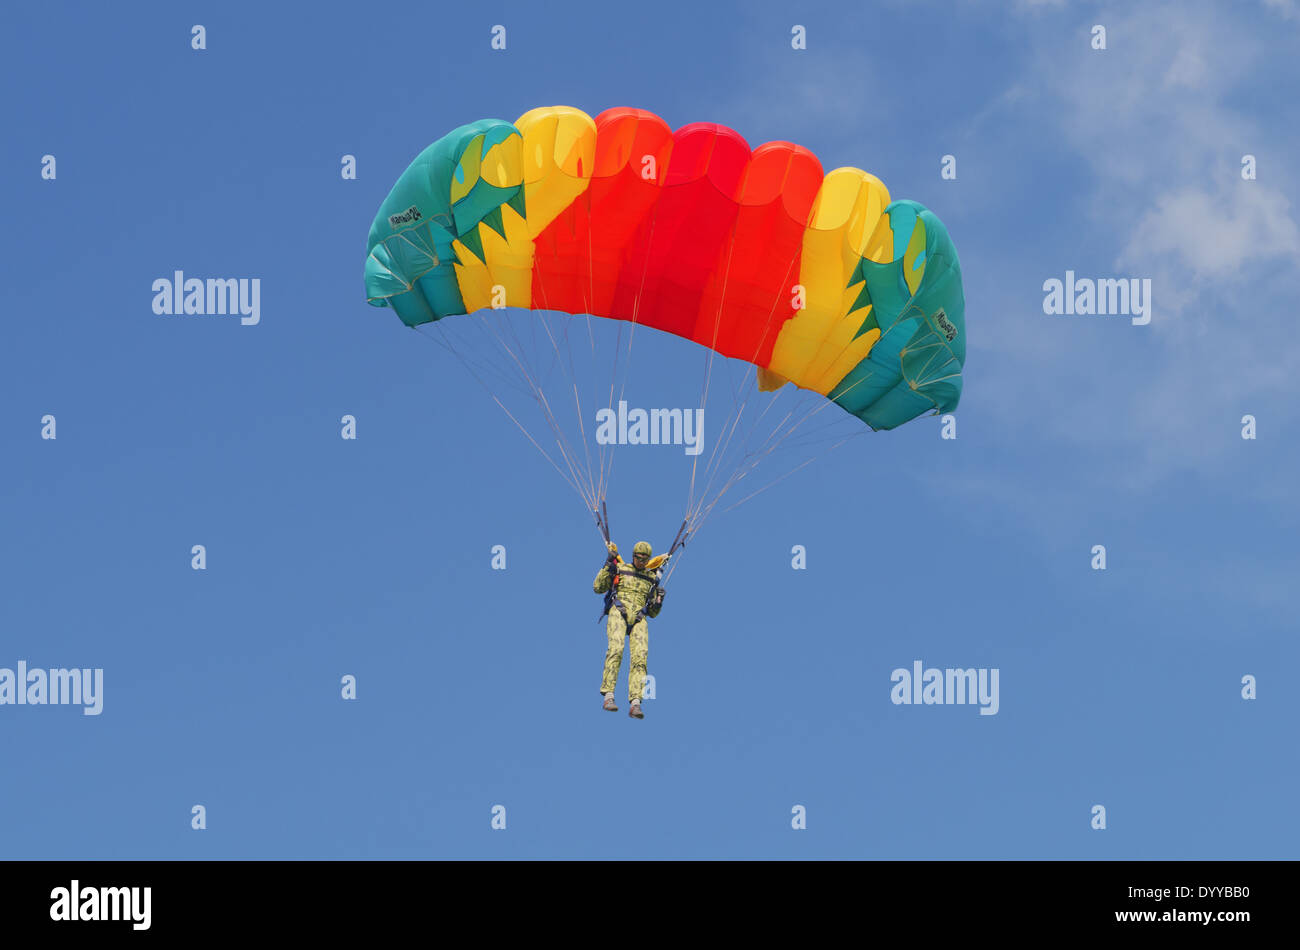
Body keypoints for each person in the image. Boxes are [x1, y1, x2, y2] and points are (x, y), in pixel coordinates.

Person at [593, 540, 665, 719]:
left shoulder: (651, 577)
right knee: (616, 649)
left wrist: (658, 602)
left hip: (639, 617)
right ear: (633, 556)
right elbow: (597, 587)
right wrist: (608, 565)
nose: (641, 561)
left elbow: (653, 613)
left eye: (644, 559)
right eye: (638, 558)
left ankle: (636, 703)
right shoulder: (621, 568)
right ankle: (608, 696)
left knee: (640, 657)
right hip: (619, 610)